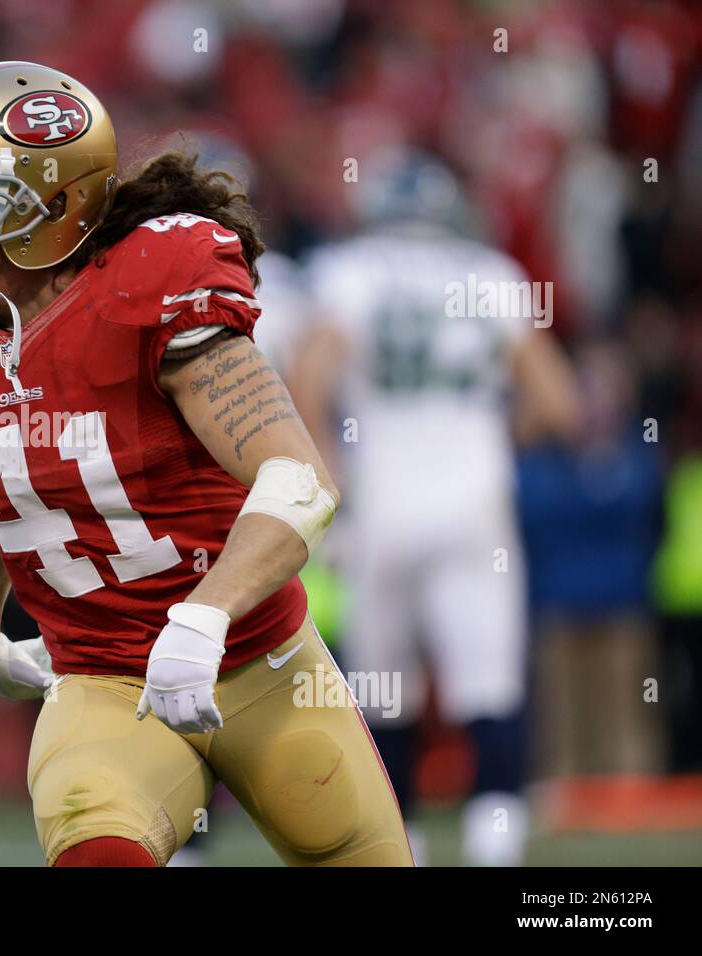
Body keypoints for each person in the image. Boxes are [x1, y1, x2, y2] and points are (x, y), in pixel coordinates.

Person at [0, 61, 412, 867]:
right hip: (100, 678)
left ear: (50, 206)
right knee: (97, 845)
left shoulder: (151, 285)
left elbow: (299, 482)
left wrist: (203, 619)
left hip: (260, 661)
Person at [291, 147, 582, 865]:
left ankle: (401, 841)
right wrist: (489, 434)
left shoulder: (346, 272)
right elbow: (560, 403)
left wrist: (328, 467)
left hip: (382, 499)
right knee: (490, 682)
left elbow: (305, 381)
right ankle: (495, 841)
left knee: (384, 684)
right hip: (473, 500)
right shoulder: (490, 276)